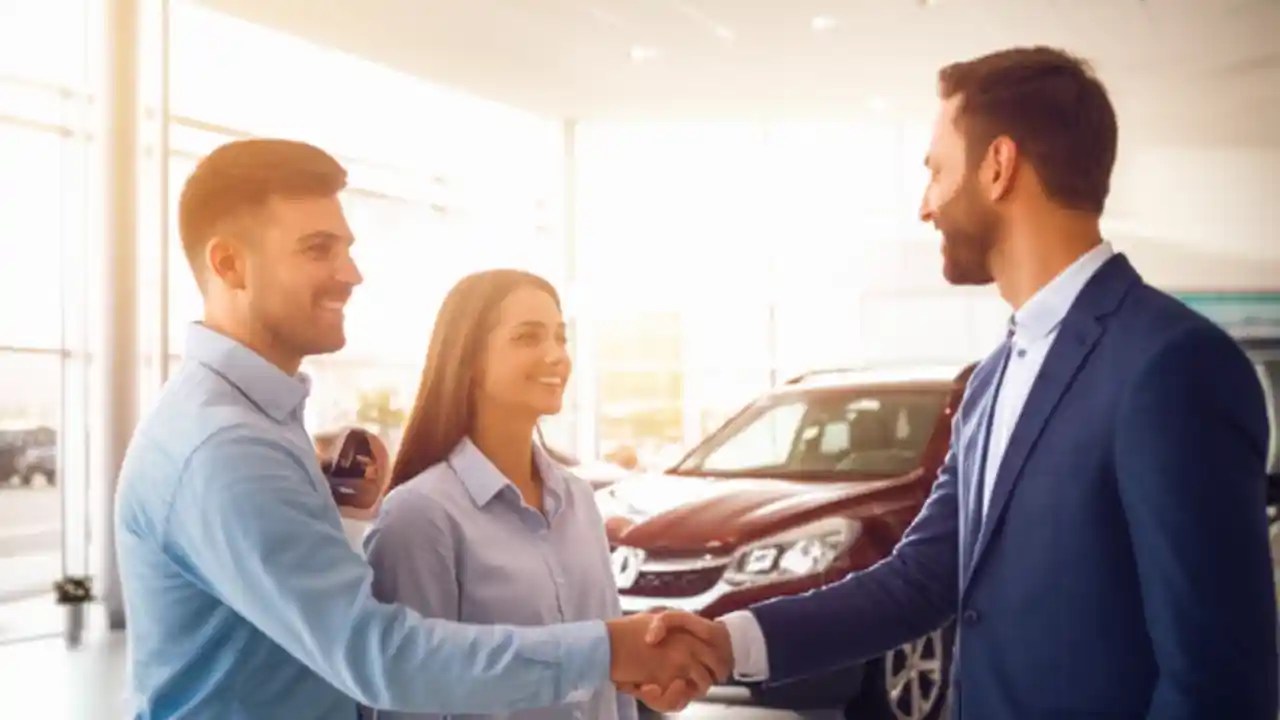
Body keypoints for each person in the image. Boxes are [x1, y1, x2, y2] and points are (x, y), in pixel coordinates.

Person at [645, 46, 1279, 719]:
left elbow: (1219, 680)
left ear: (998, 166)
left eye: (937, 171)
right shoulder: (990, 380)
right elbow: (922, 577)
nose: (926, 206)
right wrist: (727, 641)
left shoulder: (1172, 366)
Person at [113, 138, 728, 720]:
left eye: (346, 248)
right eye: (318, 248)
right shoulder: (228, 446)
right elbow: (379, 657)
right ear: (230, 264)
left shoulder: (254, 423)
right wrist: (607, 651)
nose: (350, 274)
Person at [362, 269, 637, 720]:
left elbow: (616, 669)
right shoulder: (421, 515)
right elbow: (407, 697)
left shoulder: (580, 500)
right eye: (528, 338)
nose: (555, 356)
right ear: (468, 359)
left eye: (560, 338)